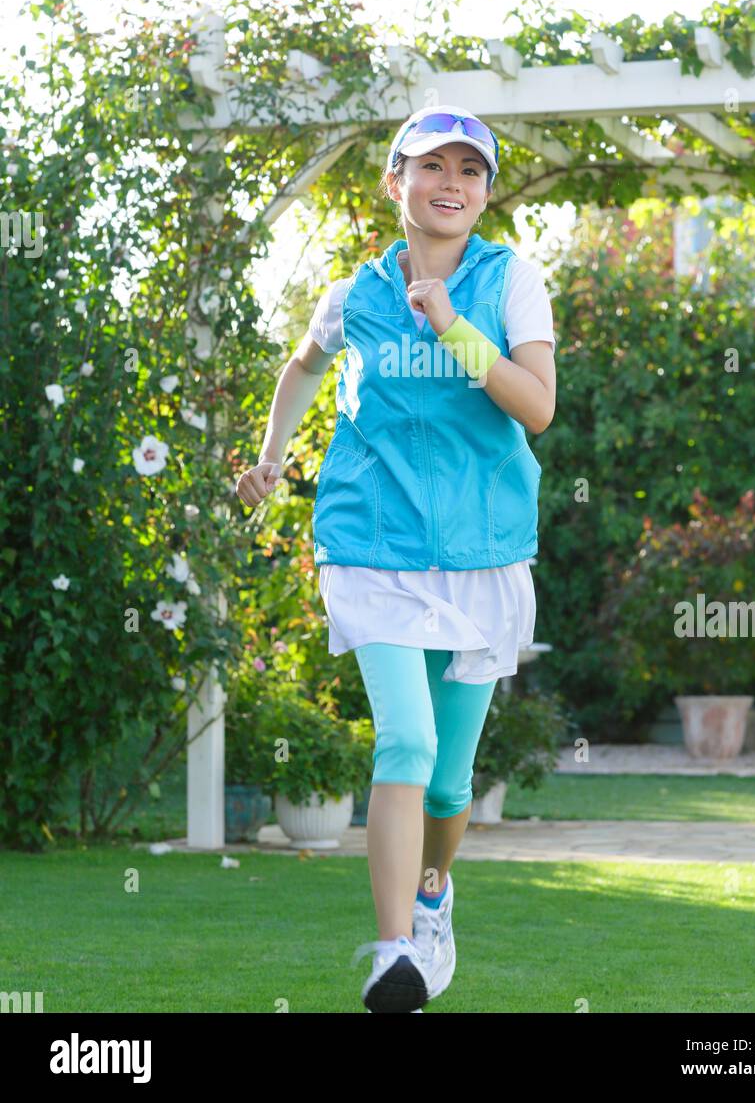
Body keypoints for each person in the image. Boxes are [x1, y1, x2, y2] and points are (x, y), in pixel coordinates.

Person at [236, 105, 557, 1013]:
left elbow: (536, 408)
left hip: (479, 553)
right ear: (396, 183)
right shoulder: (353, 296)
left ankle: (431, 892)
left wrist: (455, 324)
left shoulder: (513, 283)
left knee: (451, 781)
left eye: (470, 171)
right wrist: (272, 455)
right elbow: (302, 366)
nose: (451, 183)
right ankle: (390, 959)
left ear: (485, 193)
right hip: (371, 545)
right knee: (406, 741)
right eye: (431, 167)